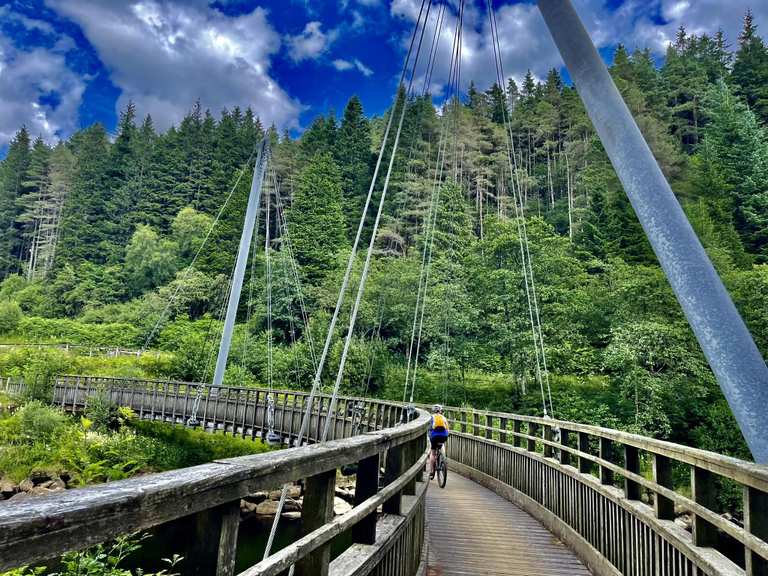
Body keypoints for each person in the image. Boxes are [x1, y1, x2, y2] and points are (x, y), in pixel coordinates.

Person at [428, 404, 449, 479]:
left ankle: (431, 471)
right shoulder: (443, 417)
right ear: (440, 411)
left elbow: (429, 428)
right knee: (442, 444)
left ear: (433, 410)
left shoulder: (431, 417)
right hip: (444, 436)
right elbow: (447, 429)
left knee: (433, 453)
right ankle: (443, 457)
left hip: (434, 436)